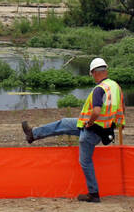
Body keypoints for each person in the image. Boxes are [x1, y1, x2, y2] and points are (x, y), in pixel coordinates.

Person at [20, 57, 124, 202]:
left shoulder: (99, 89)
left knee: (85, 162)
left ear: (94, 72)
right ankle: (33, 134)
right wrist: (119, 123)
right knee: (64, 123)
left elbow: (96, 111)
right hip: (99, 128)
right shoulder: (115, 86)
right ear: (105, 70)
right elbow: (121, 108)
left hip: (93, 130)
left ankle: (93, 194)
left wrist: (90, 122)